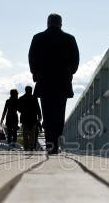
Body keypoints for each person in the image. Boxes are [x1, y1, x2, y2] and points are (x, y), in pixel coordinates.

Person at [28, 13, 79, 154]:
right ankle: (55, 144)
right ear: (61, 23)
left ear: (48, 23)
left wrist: (35, 73)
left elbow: (31, 58)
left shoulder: (38, 38)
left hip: (44, 81)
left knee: (47, 113)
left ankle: (50, 143)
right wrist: (70, 73)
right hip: (62, 82)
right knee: (59, 113)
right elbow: (75, 60)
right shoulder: (69, 39)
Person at [17, 85, 42, 151]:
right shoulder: (34, 98)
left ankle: (26, 147)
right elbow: (38, 108)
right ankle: (31, 147)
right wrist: (40, 116)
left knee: (25, 133)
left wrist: (23, 110)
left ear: (25, 90)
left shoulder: (21, 98)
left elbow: (18, 108)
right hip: (33, 118)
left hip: (24, 118)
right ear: (31, 90)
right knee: (32, 134)